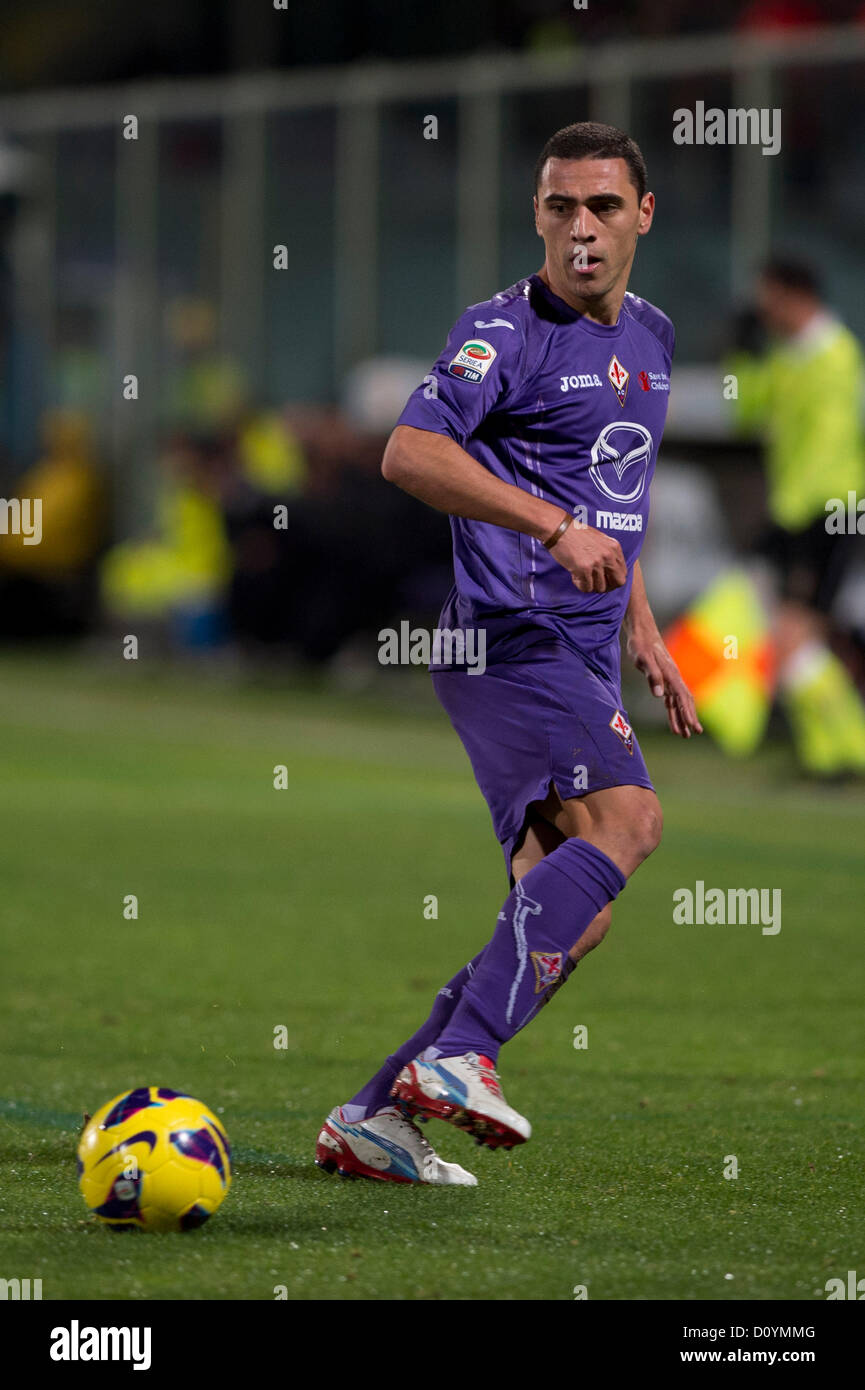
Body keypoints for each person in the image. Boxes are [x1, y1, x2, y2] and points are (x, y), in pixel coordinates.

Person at [315, 122, 701, 1186]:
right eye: (559, 208)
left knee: (565, 920)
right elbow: (410, 450)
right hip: (508, 637)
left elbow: (618, 495)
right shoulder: (504, 331)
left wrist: (640, 617)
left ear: (642, 216)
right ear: (536, 216)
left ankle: (374, 1116)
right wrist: (549, 528)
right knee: (633, 822)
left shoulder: (655, 338)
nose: (581, 229)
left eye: (603, 208)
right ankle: (458, 1053)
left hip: (577, 648)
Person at [729, 258, 865, 776]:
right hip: (798, 514)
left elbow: (829, 449)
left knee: (794, 635)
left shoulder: (836, 355)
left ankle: (842, 750)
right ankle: (833, 753)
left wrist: (796, 518)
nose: (763, 311)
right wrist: (740, 360)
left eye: (768, 299)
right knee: (794, 638)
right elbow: (742, 413)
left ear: (795, 295)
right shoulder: (788, 360)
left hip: (827, 513)